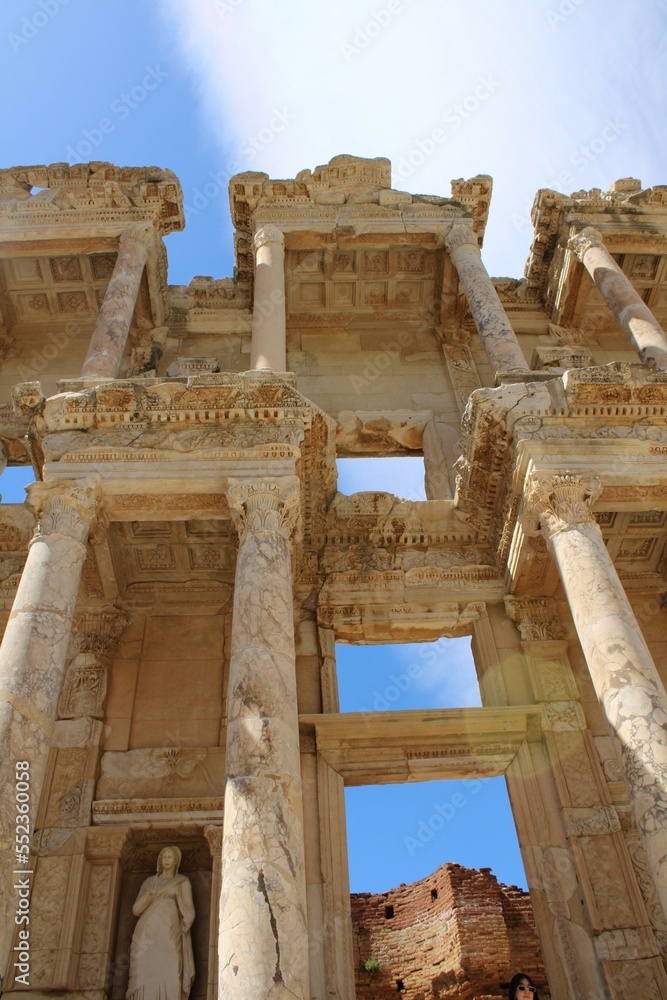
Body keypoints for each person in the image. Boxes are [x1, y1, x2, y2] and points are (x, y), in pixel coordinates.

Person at [127, 845, 195, 1000]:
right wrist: (148, 897)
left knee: (169, 966)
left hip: (169, 931)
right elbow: (136, 910)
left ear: (176, 861)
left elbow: (189, 907)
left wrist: (188, 919)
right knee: (143, 969)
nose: (166, 860)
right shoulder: (150, 882)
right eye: (163, 857)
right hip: (146, 931)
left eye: (169, 857)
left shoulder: (182, 882)